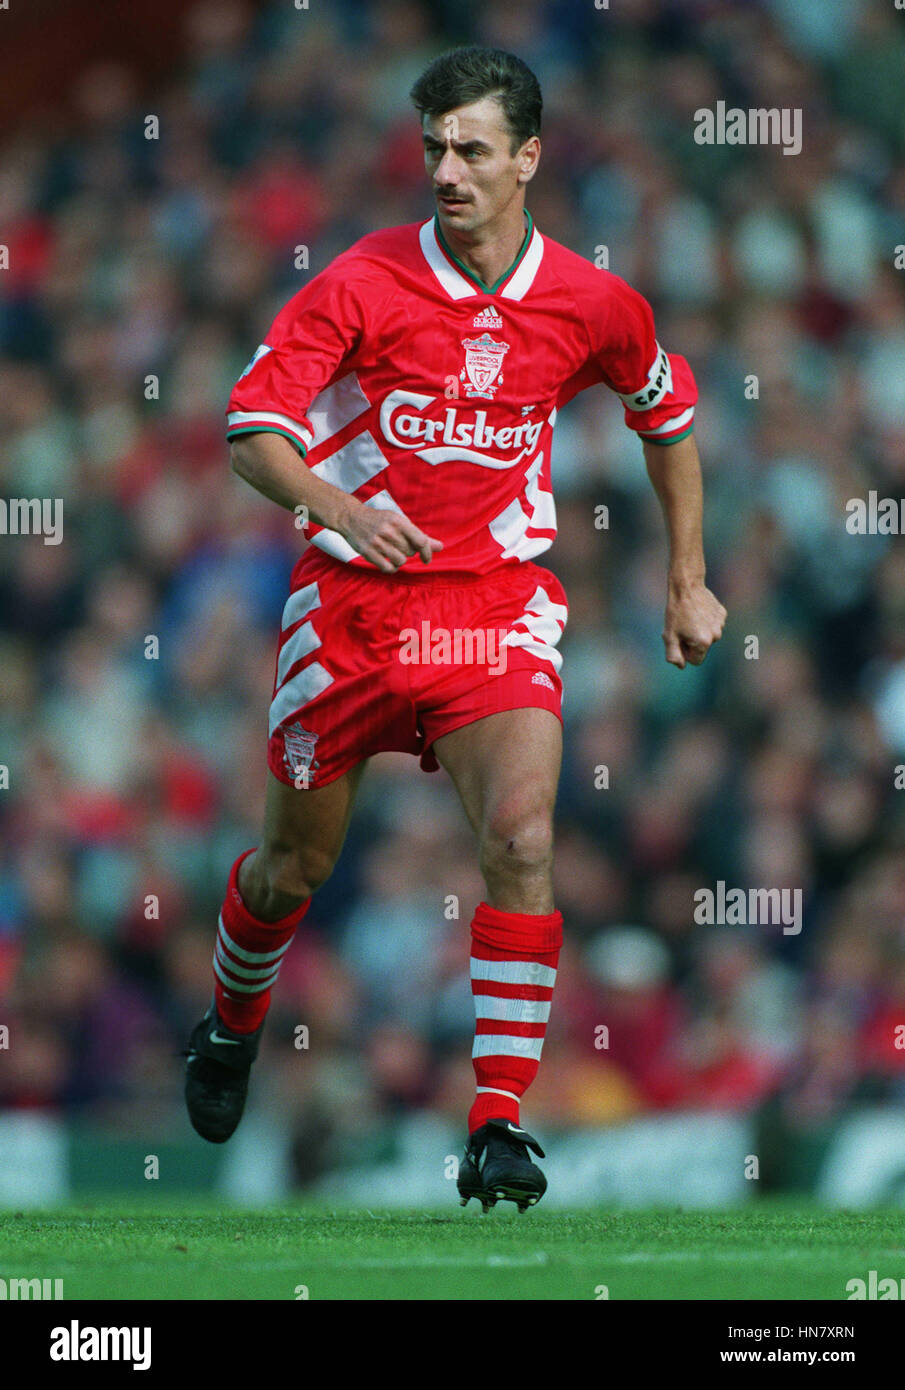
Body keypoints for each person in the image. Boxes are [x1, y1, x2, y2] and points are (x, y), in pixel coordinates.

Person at [184, 45, 726, 1213]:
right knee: (290, 871)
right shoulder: (361, 282)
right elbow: (250, 430)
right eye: (432, 146)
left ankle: (497, 1125)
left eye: (472, 148)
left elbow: (666, 416)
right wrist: (332, 505)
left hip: (494, 606)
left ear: (527, 158)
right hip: (349, 609)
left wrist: (686, 578)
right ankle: (230, 1024)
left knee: (524, 838)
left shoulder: (593, 301)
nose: (445, 169)